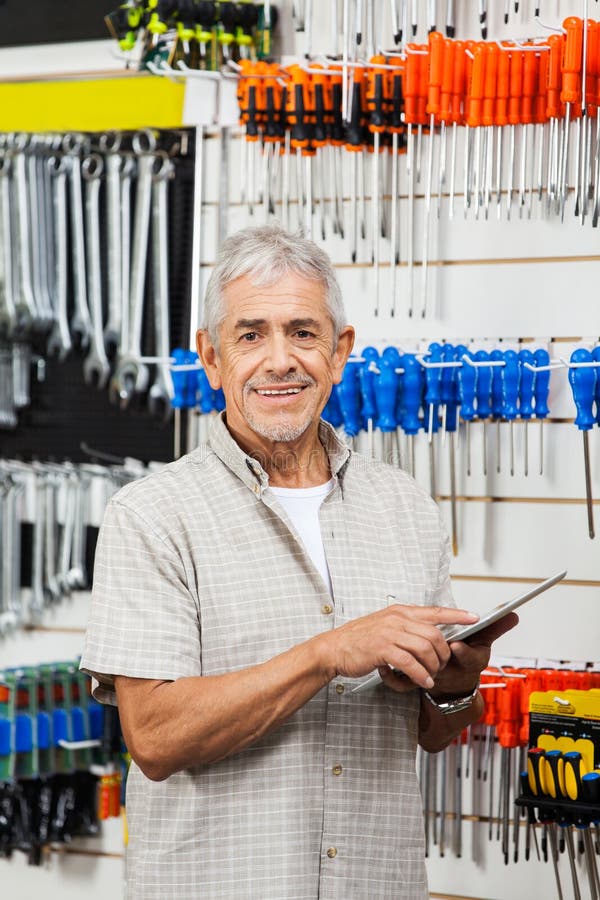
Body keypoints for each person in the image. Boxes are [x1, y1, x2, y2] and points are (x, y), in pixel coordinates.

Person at [81, 224, 517, 900]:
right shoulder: (152, 516)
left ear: (340, 352)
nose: (280, 360)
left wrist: (454, 686)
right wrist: (327, 653)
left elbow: (434, 735)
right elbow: (155, 737)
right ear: (212, 359)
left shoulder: (405, 507)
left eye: (303, 333)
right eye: (251, 334)